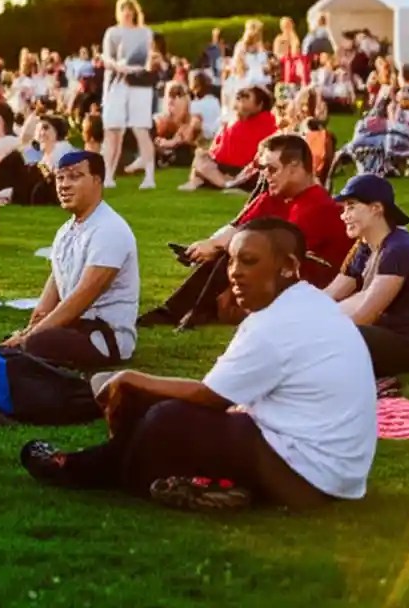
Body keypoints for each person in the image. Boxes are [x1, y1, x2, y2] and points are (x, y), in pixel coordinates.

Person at [21, 218, 376, 512]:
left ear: (288, 267)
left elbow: (212, 397)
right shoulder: (307, 302)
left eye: (249, 261)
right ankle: (200, 482)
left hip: (310, 474)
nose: (234, 273)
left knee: (165, 418)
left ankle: (83, 469)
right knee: (144, 399)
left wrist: (131, 378)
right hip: (336, 472)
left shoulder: (276, 323)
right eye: (232, 261)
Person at [142, 135, 352, 328]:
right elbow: (237, 227)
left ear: (294, 168)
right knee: (233, 250)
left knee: (239, 253)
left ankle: (185, 313)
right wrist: (208, 244)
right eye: (264, 169)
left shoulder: (317, 206)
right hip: (284, 276)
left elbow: (280, 252)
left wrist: (216, 247)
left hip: (310, 287)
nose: (266, 176)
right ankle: (184, 312)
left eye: (272, 169)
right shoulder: (274, 197)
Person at [3, 151, 138, 371]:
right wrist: (28, 330)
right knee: (20, 342)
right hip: (73, 326)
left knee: (37, 344)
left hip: (105, 336)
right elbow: (55, 283)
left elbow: (83, 296)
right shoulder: (65, 231)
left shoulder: (110, 229)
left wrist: (33, 336)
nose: (64, 185)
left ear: (97, 181)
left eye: (75, 177)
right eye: (60, 178)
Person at [324, 175, 409, 377]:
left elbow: (367, 315)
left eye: (351, 207)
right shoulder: (365, 245)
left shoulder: (399, 250)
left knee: (347, 335)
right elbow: (333, 294)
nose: (344, 216)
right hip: (383, 334)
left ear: (376, 208)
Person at [99, 0, 157, 189]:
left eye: (130, 9)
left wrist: (137, 69)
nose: (127, 12)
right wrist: (119, 67)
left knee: (141, 128)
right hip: (116, 84)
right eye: (123, 9)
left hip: (139, 84)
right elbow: (107, 58)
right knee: (112, 131)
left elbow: (148, 59)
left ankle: (149, 177)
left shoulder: (145, 32)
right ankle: (108, 176)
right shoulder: (112, 32)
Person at [179, 86, 277, 191]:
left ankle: (223, 183)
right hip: (228, 169)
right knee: (201, 156)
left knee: (201, 161)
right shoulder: (236, 121)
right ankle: (220, 182)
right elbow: (217, 149)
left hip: (248, 171)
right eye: (239, 98)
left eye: (246, 98)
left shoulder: (266, 122)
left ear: (260, 105)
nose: (240, 101)